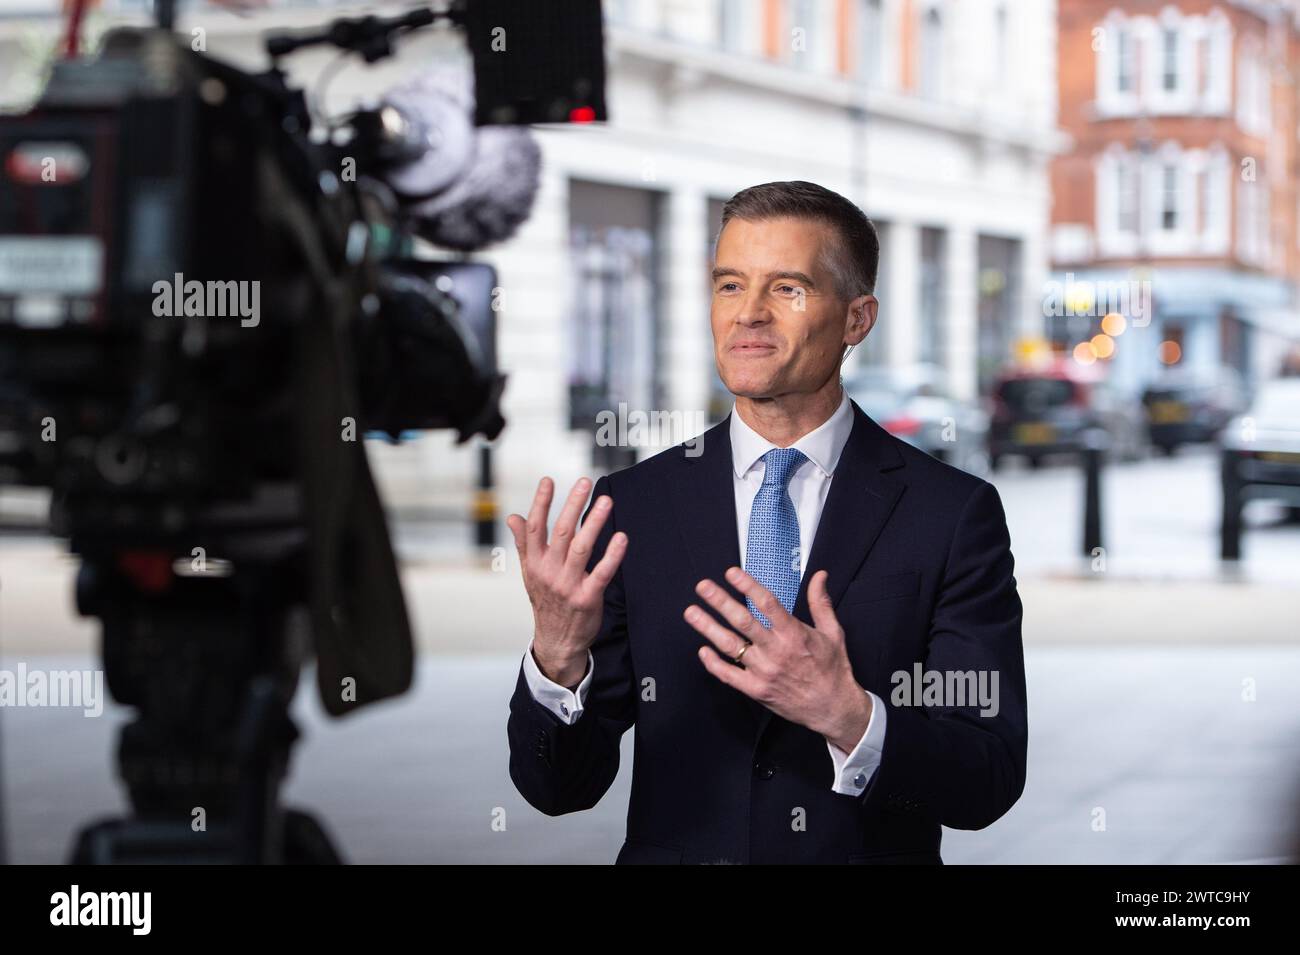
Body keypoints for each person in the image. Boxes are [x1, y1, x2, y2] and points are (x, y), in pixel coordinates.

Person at [505, 180, 1027, 864]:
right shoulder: (634, 507)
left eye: (787, 288)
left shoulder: (952, 515)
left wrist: (849, 715)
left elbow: (987, 776)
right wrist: (558, 657)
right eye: (729, 285)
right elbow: (558, 787)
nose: (748, 313)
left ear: (856, 318)